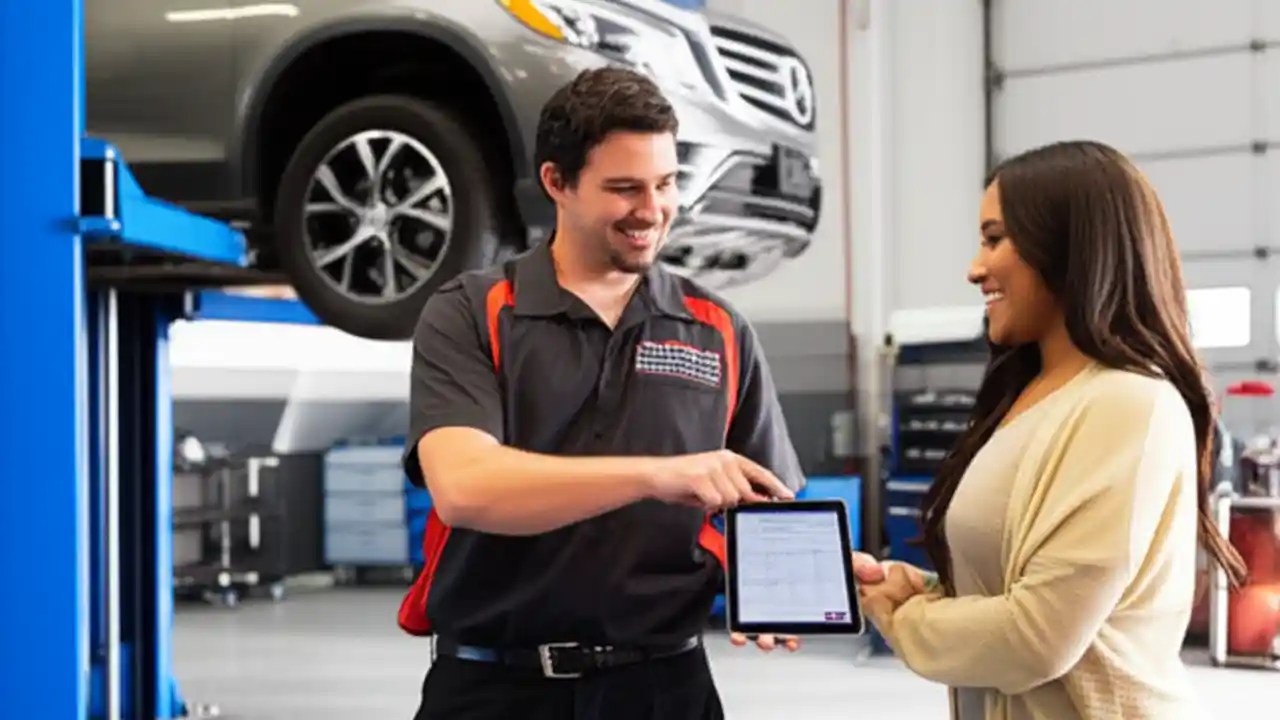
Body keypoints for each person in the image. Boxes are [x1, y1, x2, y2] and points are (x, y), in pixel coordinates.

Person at [400, 66, 805, 720]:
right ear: (556, 182)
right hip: (496, 690)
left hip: (666, 689)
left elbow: (764, 507)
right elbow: (466, 487)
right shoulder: (472, 312)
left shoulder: (718, 329)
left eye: (666, 183)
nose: (652, 210)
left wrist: (804, 581)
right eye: (624, 189)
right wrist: (656, 475)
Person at [854, 139, 1249, 719]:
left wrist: (906, 616)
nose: (975, 268)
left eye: (994, 239)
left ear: (1069, 248)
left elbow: (1039, 637)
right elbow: (1025, 587)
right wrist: (921, 589)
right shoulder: (1032, 395)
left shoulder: (1128, 403)